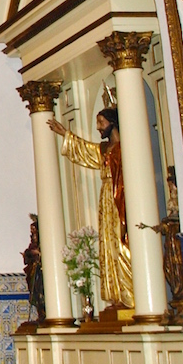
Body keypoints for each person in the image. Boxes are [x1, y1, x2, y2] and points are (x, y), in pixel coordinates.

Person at [49, 108, 132, 312]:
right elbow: (85, 150)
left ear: (112, 123)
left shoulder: (124, 149)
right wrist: (64, 134)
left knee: (121, 246)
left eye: (101, 122)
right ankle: (115, 296)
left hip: (119, 197)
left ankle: (129, 295)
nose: (98, 127)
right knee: (108, 247)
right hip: (106, 198)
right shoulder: (105, 149)